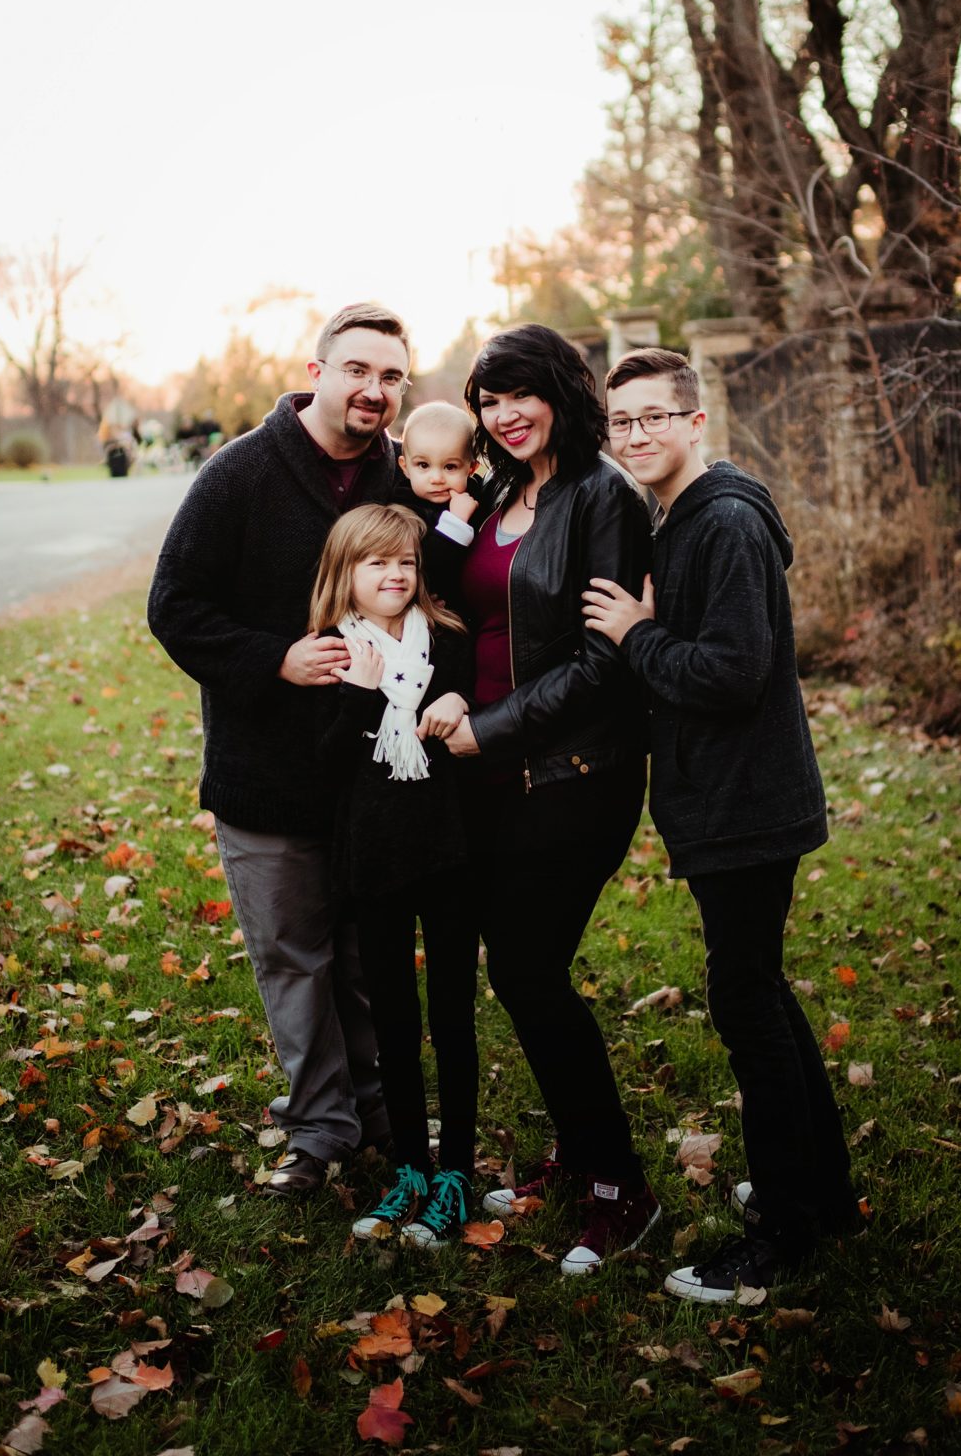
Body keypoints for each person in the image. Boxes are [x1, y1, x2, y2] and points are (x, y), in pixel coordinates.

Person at [582, 347, 857, 1303]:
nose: (636, 436)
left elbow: (732, 674)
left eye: (655, 417)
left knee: (745, 1005)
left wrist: (634, 636)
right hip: (728, 799)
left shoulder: (725, 526)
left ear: (696, 423)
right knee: (761, 994)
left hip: (746, 802)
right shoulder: (683, 519)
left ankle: (781, 1228)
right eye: (621, 423)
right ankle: (819, 1190)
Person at [146, 303, 412, 1194]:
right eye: (358, 371)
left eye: (391, 377)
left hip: (369, 776)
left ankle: (383, 1113)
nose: (374, 391)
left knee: (366, 960)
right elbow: (174, 606)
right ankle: (320, 1130)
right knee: (295, 959)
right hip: (265, 775)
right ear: (319, 369)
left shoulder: (397, 477)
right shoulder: (240, 475)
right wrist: (275, 659)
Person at [443, 323, 658, 1276]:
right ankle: (576, 1155)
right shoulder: (496, 491)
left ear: (559, 391)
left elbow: (603, 662)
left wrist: (491, 726)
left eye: (518, 394)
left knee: (528, 970)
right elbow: (470, 614)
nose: (503, 415)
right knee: (516, 972)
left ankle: (621, 1187)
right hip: (489, 775)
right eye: (488, 401)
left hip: (574, 774)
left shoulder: (602, 496)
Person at [312, 503, 479, 1247]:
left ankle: (456, 1174)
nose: (394, 575)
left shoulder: (446, 638)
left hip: (448, 852)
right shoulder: (328, 653)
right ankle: (410, 1166)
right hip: (372, 862)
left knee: (451, 1016)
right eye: (375, 563)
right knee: (394, 1024)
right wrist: (357, 695)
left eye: (406, 562)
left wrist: (457, 695)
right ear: (344, 575)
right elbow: (318, 768)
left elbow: (476, 698)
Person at [395, 398, 485, 608]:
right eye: (423, 465)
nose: (436, 478)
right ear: (405, 467)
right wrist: (455, 522)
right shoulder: (401, 510)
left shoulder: (481, 498)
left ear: (471, 469)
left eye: (450, 467)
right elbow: (424, 566)